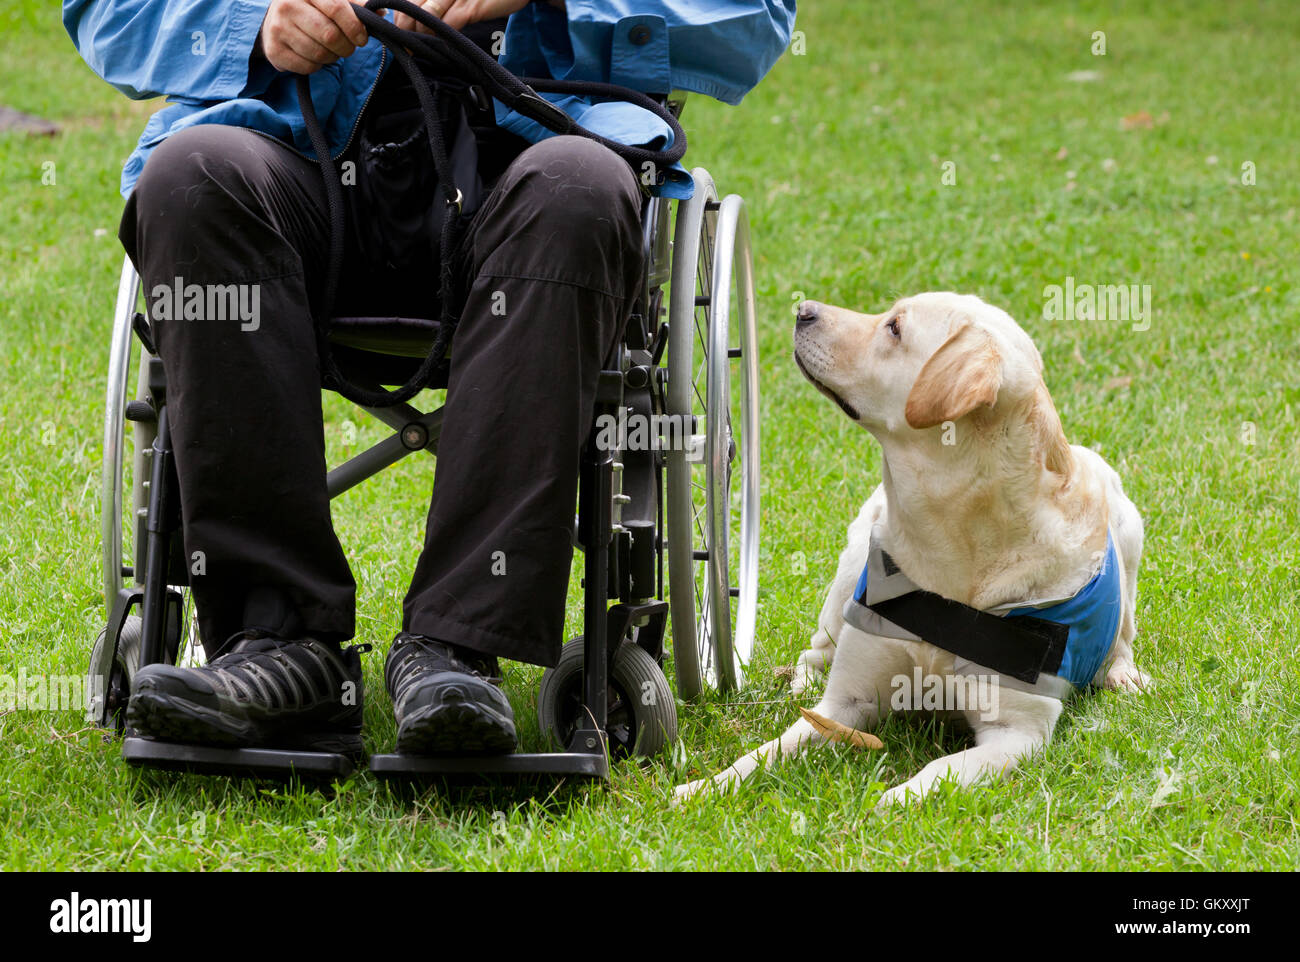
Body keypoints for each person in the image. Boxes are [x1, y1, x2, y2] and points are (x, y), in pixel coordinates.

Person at [66, 0, 795, 758]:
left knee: (580, 184)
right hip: (299, 157)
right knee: (192, 175)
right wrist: (252, 25)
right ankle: (278, 644)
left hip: (532, 155)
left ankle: (454, 649)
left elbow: (756, 18)